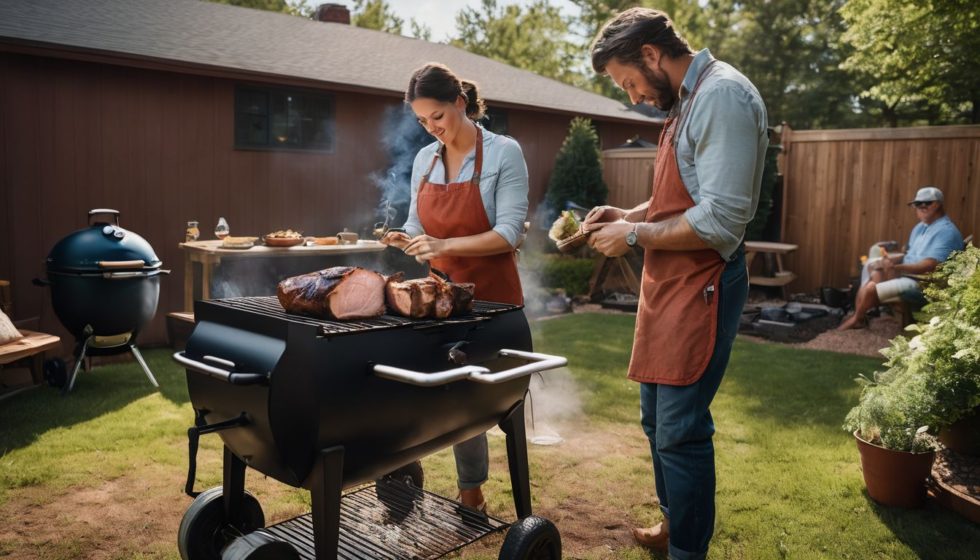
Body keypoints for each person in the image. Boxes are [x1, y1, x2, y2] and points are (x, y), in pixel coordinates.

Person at [582, 8, 767, 560]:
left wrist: (632, 235)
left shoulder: (722, 97)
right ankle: (672, 524)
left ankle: (688, 550)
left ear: (650, 54)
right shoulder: (687, 100)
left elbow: (719, 220)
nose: (634, 96)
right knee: (654, 422)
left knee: (681, 431)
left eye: (629, 81)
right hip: (668, 285)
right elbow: (682, 196)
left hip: (704, 283)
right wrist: (627, 213)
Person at [380, 62, 530, 511]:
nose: (431, 129)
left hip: (492, 304)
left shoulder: (504, 152)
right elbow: (416, 224)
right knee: (425, 389)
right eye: (422, 121)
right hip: (440, 299)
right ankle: (427, 481)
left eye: (438, 117)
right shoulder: (425, 159)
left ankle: (471, 494)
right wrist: (405, 238)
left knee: (472, 400)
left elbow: (509, 233)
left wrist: (443, 242)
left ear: (460, 103)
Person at [838, 186, 964, 330]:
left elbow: (931, 266)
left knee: (871, 288)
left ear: (937, 204)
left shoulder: (946, 232)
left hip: (924, 282)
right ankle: (868, 315)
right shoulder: (920, 228)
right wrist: (892, 261)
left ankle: (857, 318)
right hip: (908, 275)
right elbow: (909, 254)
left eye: (926, 203)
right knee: (875, 272)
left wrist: (897, 268)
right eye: (917, 204)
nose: (921, 207)